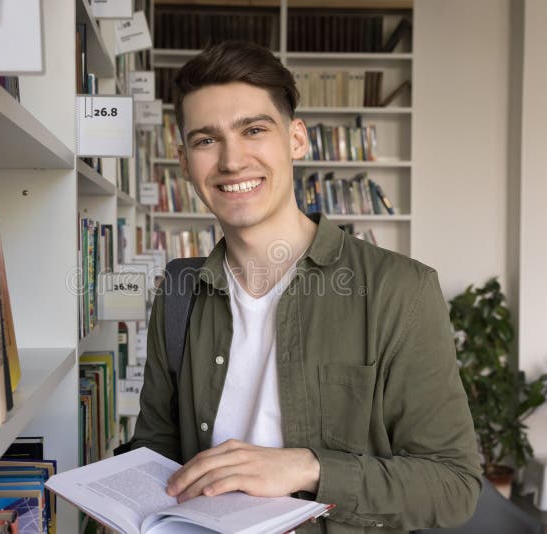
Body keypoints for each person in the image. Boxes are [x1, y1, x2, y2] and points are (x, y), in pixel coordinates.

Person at [129, 40, 481, 533]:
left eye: (253, 130)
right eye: (206, 140)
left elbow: (453, 485)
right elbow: (155, 448)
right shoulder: (180, 289)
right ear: (184, 161)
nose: (231, 161)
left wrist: (306, 468)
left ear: (297, 140)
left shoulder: (401, 290)